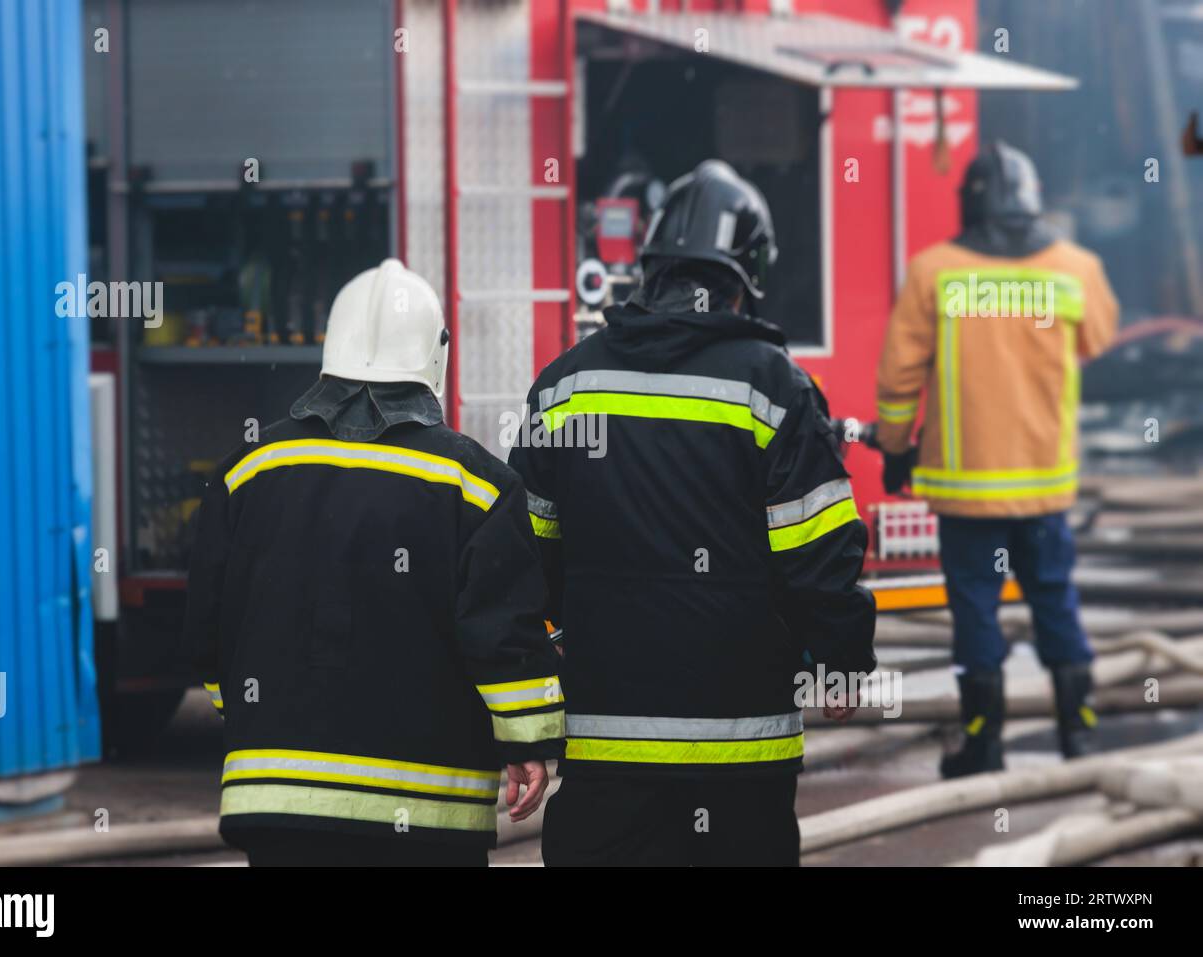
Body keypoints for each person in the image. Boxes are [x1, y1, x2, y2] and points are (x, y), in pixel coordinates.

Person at [509, 160, 876, 866]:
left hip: (603, 743)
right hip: (741, 746)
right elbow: (819, 550)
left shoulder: (566, 385)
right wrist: (840, 655)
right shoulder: (777, 388)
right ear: (745, 275)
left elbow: (524, 560)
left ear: (652, 266)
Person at [183, 259, 564, 866]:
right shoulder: (479, 487)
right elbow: (501, 637)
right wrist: (529, 742)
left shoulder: (247, 472)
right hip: (427, 818)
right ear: (436, 355)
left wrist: (253, 710)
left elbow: (206, 625)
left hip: (277, 811)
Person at [875, 141, 1119, 778]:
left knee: (975, 613)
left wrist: (895, 453)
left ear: (969, 203)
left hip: (968, 491)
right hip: (1045, 487)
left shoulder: (934, 272)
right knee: (1056, 602)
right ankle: (1080, 737)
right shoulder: (1077, 268)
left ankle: (983, 747)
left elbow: (899, 381)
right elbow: (1097, 339)